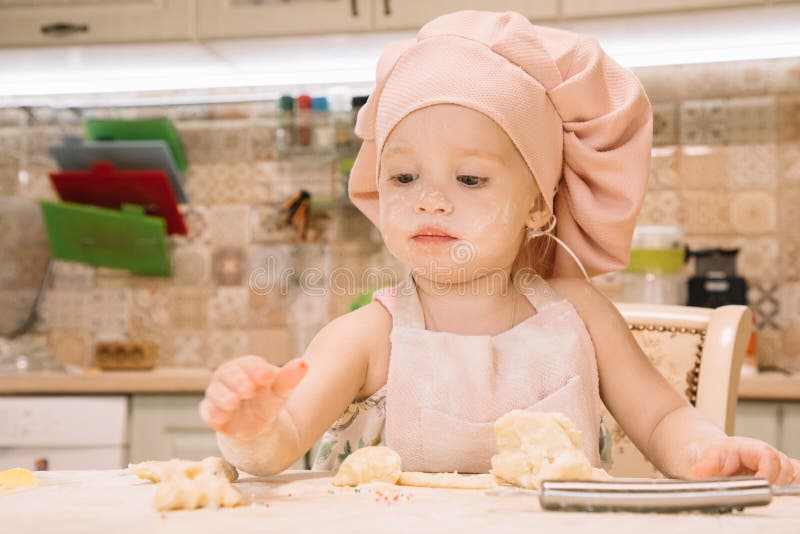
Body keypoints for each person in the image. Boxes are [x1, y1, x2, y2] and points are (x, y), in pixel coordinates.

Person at [199, 10, 800, 485]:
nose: (430, 201)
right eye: (404, 178)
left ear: (539, 203)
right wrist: (252, 431)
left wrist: (708, 450)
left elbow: (664, 418)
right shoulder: (367, 336)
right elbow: (280, 442)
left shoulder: (580, 313)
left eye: (470, 179)